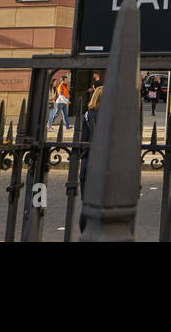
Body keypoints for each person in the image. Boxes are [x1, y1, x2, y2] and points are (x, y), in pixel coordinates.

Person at [78, 85, 103, 234]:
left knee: (86, 204)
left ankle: (85, 233)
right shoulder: (108, 116)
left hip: (87, 166)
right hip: (102, 165)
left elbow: (82, 142)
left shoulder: (86, 116)